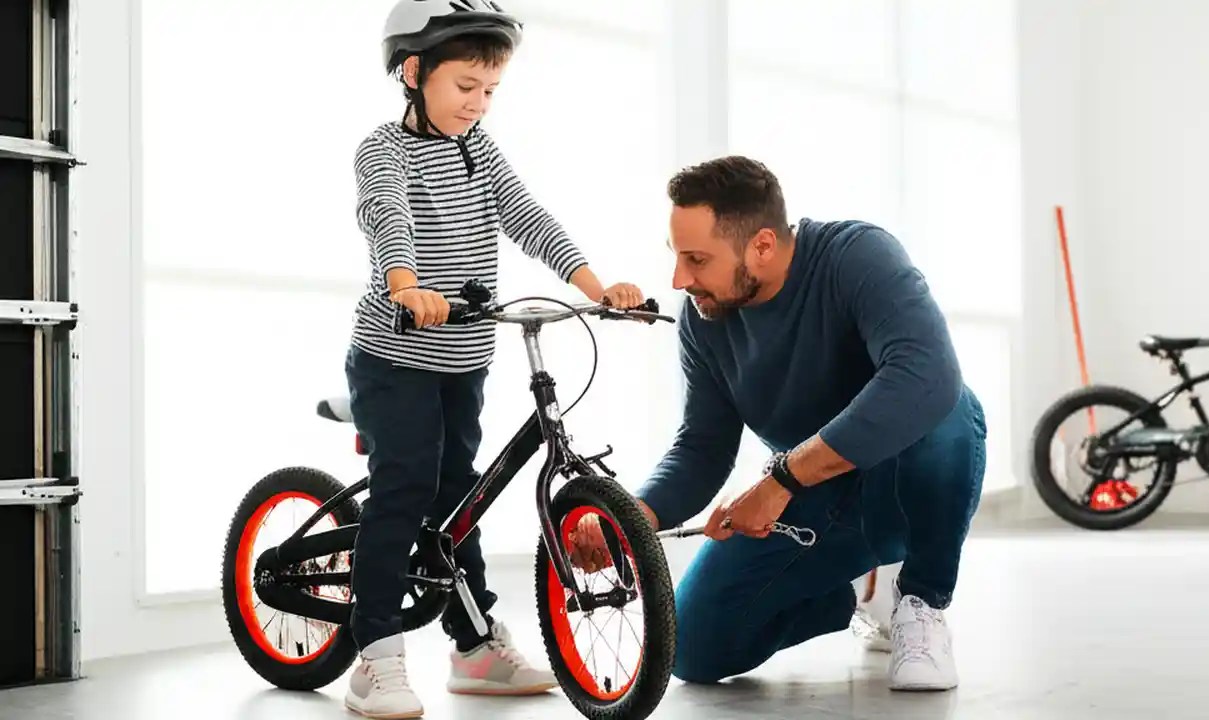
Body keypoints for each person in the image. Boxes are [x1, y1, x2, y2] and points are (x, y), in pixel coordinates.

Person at [570, 155, 987, 691]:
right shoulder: (705, 321)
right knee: (691, 648)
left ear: (762, 246)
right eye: (675, 257)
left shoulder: (857, 256)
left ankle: (922, 600)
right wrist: (631, 518)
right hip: (817, 495)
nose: (679, 279)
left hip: (898, 474)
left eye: (696, 259)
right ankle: (862, 594)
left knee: (941, 407)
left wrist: (781, 480)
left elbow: (924, 374)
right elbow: (702, 447)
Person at [342, 1, 646, 717]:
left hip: (463, 358)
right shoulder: (383, 148)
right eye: (465, 87)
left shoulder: (480, 148)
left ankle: (474, 646)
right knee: (407, 486)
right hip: (397, 356)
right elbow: (388, 216)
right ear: (413, 72)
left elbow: (527, 216)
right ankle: (375, 656)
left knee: (461, 501)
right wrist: (407, 285)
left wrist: (597, 287)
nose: (478, 104)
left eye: (490, 90)